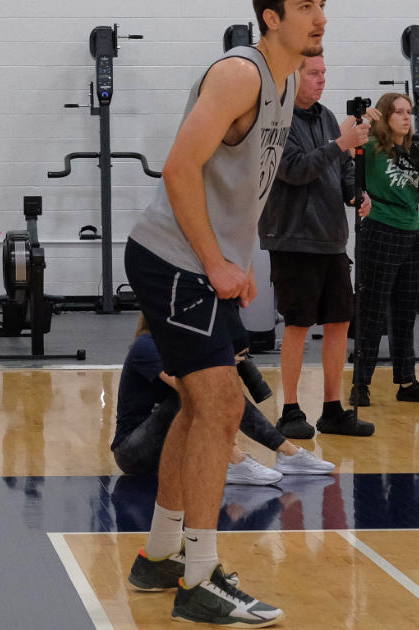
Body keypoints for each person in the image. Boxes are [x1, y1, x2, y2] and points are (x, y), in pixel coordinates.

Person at [122, 0, 326, 625]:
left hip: (198, 264)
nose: (318, 16)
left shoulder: (289, 78)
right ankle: (201, 577)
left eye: (323, 5)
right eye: (303, 6)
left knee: (201, 405)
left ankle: (160, 556)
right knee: (220, 405)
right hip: (175, 261)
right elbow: (179, 167)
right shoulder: (241, 73)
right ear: (270, 17)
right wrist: (215, 261)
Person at [259, 54, 377, 438]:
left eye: (324, 73)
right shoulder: (277, 119)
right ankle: (290, 410)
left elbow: (341, 165)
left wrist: (354, 193)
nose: (321, 80)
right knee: (298, 323)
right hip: (294, 237)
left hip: (330, 238)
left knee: (340, 321)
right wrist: (343, 141)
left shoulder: (325, 116)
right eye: (313, 74)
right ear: (292, 76)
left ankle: (332, 409)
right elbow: (295, 170)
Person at [113, 318, 336, 487]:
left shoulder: (177, 347)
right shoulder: (146, 346)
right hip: (132, 453)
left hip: (170, 451)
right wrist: (220, 364)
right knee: (196, 394)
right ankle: (243, 459)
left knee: (218, 390)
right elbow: (190, 386)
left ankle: (281, 454)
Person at [350, 93, 419, 407]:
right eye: (399, 112)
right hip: (380, 228)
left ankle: (407, 380)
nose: (406, 117)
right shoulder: (373, 146)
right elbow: (342, 138)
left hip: (411, 231)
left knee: (406, 309)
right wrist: (363, 118)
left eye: (409, 112)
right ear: (386, 115)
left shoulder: (414, 149)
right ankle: (360, 383)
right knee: (372, 309)